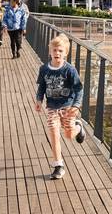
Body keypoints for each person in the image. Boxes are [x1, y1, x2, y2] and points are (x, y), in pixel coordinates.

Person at [35, 33, 85, 181]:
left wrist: (76, 105)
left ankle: (78, 127)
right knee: (54, 134)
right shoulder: (44, 69)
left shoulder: (69, 70)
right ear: (50, 51)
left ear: (66, 53)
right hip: (51, 107)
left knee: (69, 135)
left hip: (67, 107)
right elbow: (42, 86)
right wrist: (39, 100)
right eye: (54, 50)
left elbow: (79, 89)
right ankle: (58, 165)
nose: (57, 53)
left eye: (60, 51)